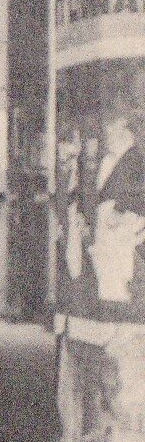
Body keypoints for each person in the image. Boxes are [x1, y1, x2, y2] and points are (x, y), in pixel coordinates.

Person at [89, 71, 145, 303]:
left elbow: (137, 191)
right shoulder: (110, 159)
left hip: (123, 226)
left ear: (124, 128)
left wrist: (119, 210)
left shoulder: (135, 157)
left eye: (111, 126)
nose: (106, 132)